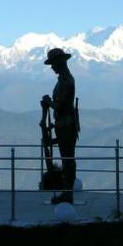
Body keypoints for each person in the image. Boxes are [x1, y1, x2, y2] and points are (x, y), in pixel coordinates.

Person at [41, 47, 77, 204]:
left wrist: (48, 102)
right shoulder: (63, 79)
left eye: (53, 64)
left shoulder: (66, 81)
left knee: (67, 158)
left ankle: (68, 193)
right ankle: (67, 191)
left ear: (60, 62)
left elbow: (60, 106)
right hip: (63, 124)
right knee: (66, 158)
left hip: (66, 123)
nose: (52, 67)